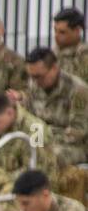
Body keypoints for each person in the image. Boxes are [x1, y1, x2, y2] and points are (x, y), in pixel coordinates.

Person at [25, 47, 88, 200]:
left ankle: (47, 200)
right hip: (44, 142)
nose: (35, 81)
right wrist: (38, 143)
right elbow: (32, 121)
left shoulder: (78, 90)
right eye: (32, 76)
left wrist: (47, 139)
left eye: (39, 76)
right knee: (24, 154)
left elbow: (78, 131)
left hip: (76, 147)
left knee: (50, 157)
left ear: (54, 68)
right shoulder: (34, 86)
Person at [53, 6, 88, 81]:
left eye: (62, 32)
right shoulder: (53, 53)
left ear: (77, 31)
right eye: (55, 31)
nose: (56, 36)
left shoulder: (83, 55)